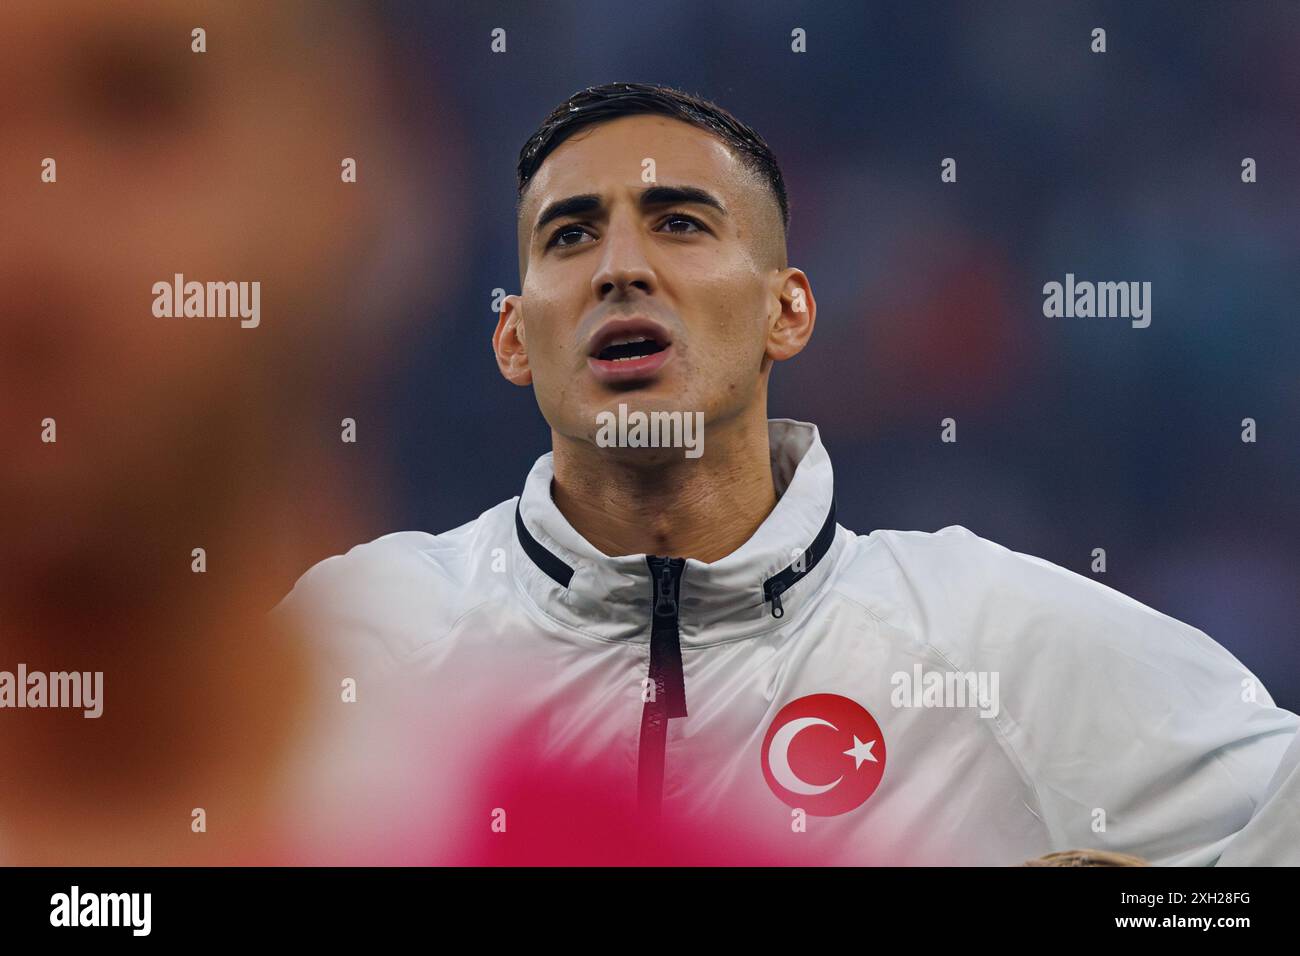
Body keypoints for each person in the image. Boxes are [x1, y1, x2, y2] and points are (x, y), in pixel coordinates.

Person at [273, 82, 1300, 866]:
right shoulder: (366, 633)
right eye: (570, 234)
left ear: (787, 310)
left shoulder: (982, 638)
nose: (619, 267)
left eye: (679, 222)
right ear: (511, 335)